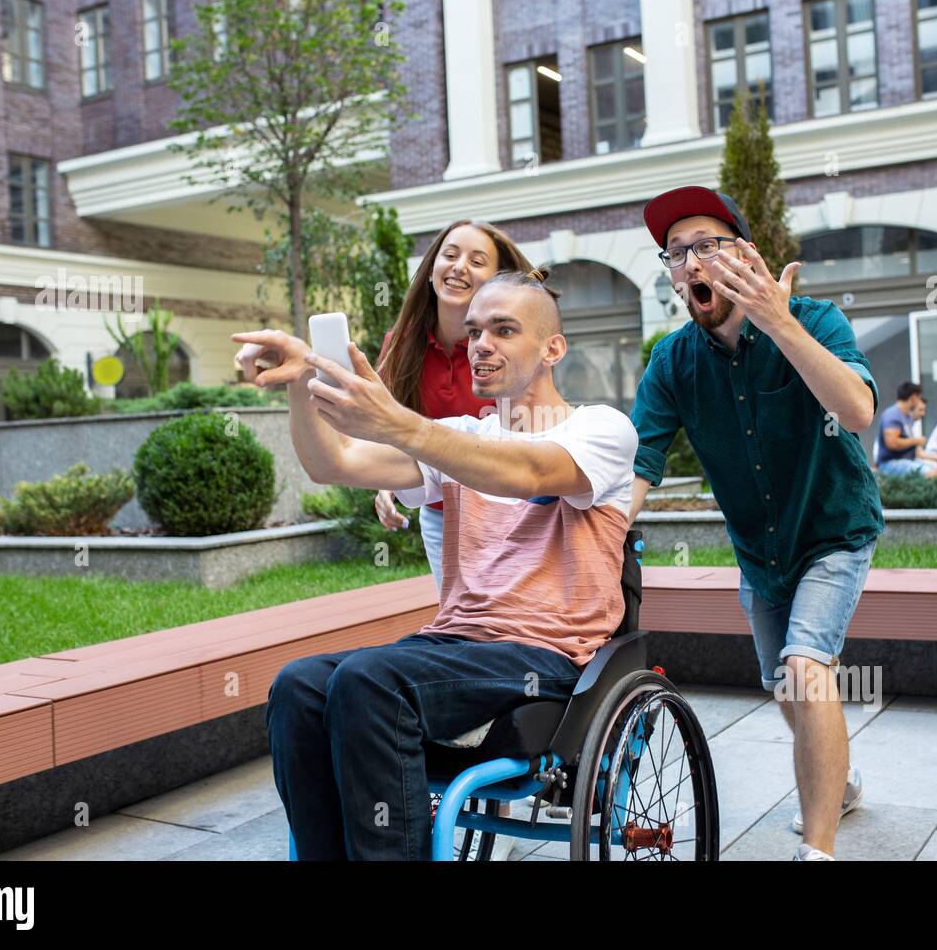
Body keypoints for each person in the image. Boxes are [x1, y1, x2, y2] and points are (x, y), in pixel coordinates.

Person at [231, 268, 638, 860]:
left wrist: (401, 423)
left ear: (553, 348)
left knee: (370, 680)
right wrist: (302, 379)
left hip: (548, 655)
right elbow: (334, 462)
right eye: (474, 332)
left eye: (503, 330)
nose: (481, 345)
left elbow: (528, 472)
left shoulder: (601, 429)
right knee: (299, 685)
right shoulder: (453, 437)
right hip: (453, 642)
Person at [627, 185, 883, 861]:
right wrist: (597, 540)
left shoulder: (814, 319)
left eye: (706, 245)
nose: (690, 263)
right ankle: (842, 782)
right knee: (784, 687)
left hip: (834, 531)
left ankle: (819, 850)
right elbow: (639, 464)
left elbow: (857, 410)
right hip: (760, 553)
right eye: (676, 253)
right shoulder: (672, 361)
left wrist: (782, 325)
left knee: (804, 667)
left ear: (745, 255)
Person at [373, 220, 535, 589]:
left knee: (507, 616)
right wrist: (385, 484)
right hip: (437, 513)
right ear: (432, 270)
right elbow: (387, 425)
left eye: (477, 261)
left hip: (505, 511)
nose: (460, 266)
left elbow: (526, 439)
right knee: (455, 618)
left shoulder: (508, 346)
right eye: (450, 255)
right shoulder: (400, 344)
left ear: (497, 281)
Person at [876, 381, 937, 478]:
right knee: (933, 473)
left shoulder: (907, 417)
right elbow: (892, 443)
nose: (919, 401)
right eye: (918, 397)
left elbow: (916, 452)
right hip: (890, 464)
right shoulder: (892, 415)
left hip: (907, 461)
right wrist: (916, 441)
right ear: (913, 397)